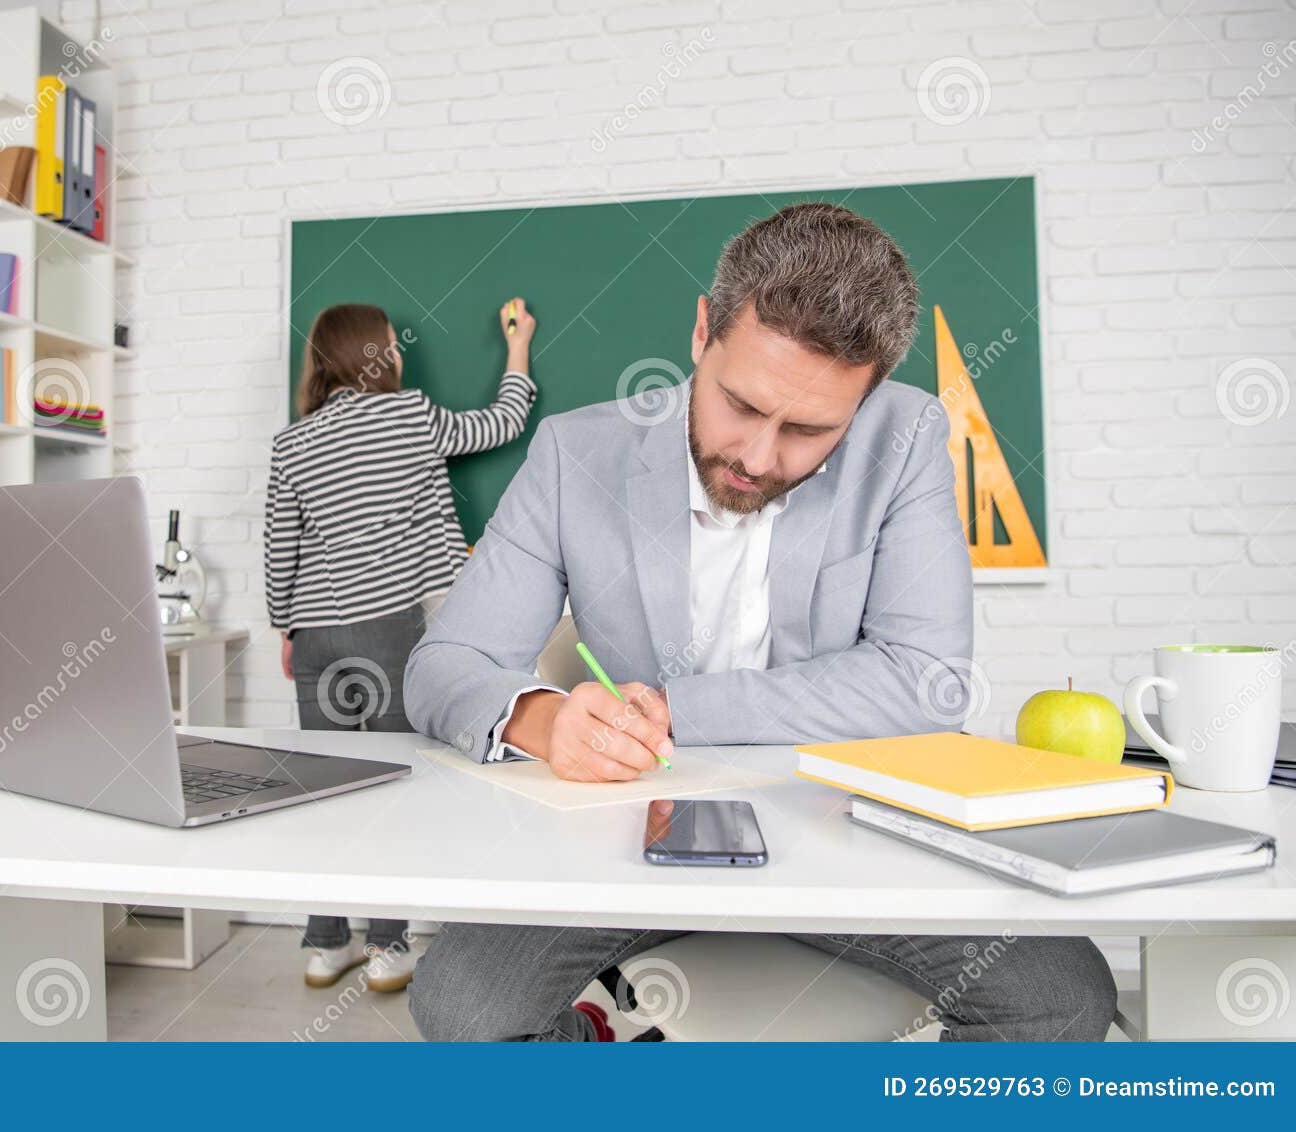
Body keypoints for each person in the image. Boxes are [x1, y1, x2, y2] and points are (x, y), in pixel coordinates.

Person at [402, 204, 1117, 1041]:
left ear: (870, 393)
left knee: (1061, 999)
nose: (758, 457)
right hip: (628, 821)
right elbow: (446, 663)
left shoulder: (909, 435)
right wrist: (541, 716)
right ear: (703, 332)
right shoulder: (572, 454)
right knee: (462, 1008)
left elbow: (925, 684)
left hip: (845, 820)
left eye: (811, 429)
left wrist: (675, 710)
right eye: (740, 404)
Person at [265, 299, 538, 993]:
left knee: (324, 791)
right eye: (392, 343)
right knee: (389, 787)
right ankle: (387, 949)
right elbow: (504, 423)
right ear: (377, 355)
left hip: (320, 632)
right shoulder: (411, 416)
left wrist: (286, 628)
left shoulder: (293, 443)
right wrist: (517, 347)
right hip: (392, 628)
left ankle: (326, 946)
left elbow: (280, 549)